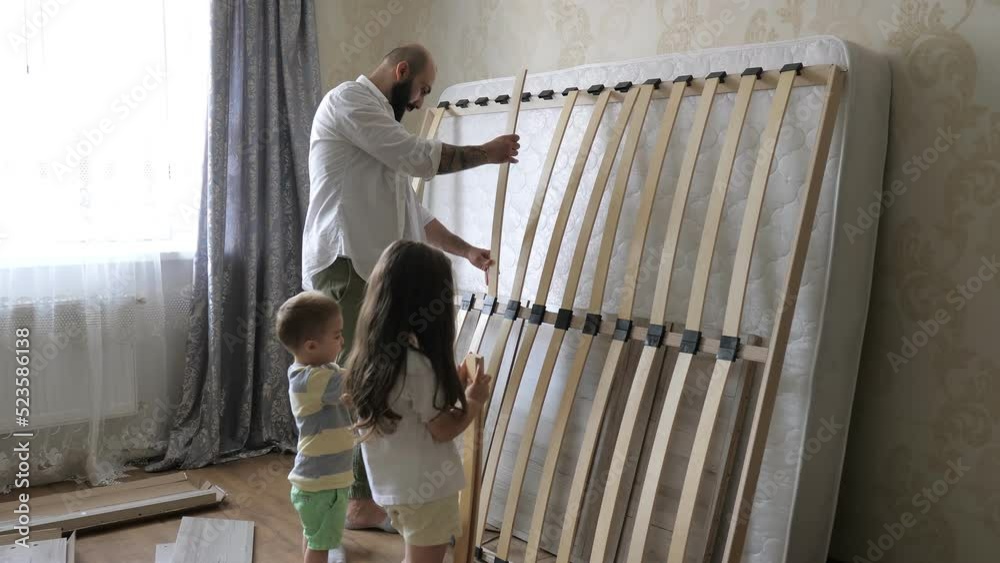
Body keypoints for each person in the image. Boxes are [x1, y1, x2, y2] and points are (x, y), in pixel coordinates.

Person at [302, 42, 518, 529]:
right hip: (346, 262)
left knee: (378, 377)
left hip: (373, 269)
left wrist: (465, 251)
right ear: (401, 71)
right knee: (357, 379)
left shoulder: (382, 129)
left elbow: (412, 211)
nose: (421, 101)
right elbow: (420, 159)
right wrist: (487, 153)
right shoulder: (349, 103)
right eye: (421, 88)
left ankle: (371, 496)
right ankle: (355, 502)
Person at [343, 240, 491, 563]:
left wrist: (451, 383)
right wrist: (473, 400)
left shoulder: (371, 359)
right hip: (428, 492)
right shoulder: (418, 367)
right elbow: (442, 429)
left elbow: (412, 410)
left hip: (392, 489)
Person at [276, 291, 353, 563]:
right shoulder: (312, 378)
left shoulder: (320, 372)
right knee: (320, 546)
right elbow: (355, 380)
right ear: (310, 346)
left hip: (319, 481)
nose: (342, 341)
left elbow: (346, 393)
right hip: (324, 482)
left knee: (313, 538)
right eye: (337, 335)